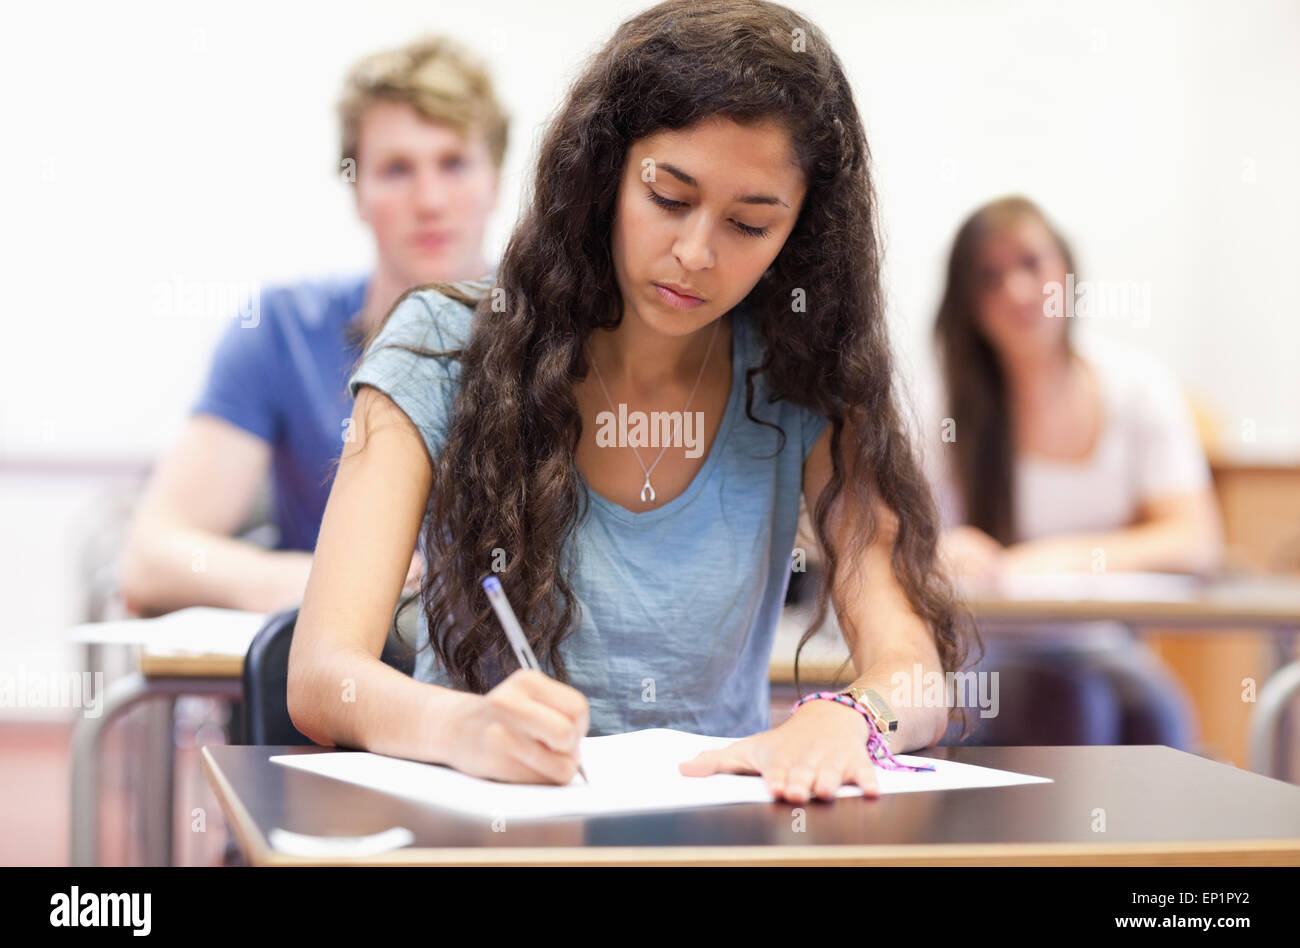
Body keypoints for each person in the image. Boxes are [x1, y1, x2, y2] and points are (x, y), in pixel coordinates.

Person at [288, 0, 977, 805]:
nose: (694, 254)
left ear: (801, 235)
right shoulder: (442, 343)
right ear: (603, 170)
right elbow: (321, 678)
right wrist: (462, 728)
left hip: (716, 839)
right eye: (669, 197)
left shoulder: (805, 375)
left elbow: (915, 673)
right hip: (489, 837)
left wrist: (852, 718)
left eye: (750, 224)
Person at [119, 35, 506, 615]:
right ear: (357, 190)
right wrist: (341, 580)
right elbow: (151, 560)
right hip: (323, 690)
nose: (429, 200)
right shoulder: (282, 332)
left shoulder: (555, 330)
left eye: (453, 163)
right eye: (396, 169)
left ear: (495, 179)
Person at [921, 195, 1224, 748]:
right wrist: (948, 551)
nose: (1015, 291)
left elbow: (1196, 541)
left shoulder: (1137, 388)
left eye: (1031, 265)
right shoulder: (940, 411)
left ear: (1067, 272)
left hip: (1102, 643)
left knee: (1159, 718)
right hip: (986, 653)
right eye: (989, 277)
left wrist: (1041, 560)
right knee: (1067, 704)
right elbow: (915, 550)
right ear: (967, 302)